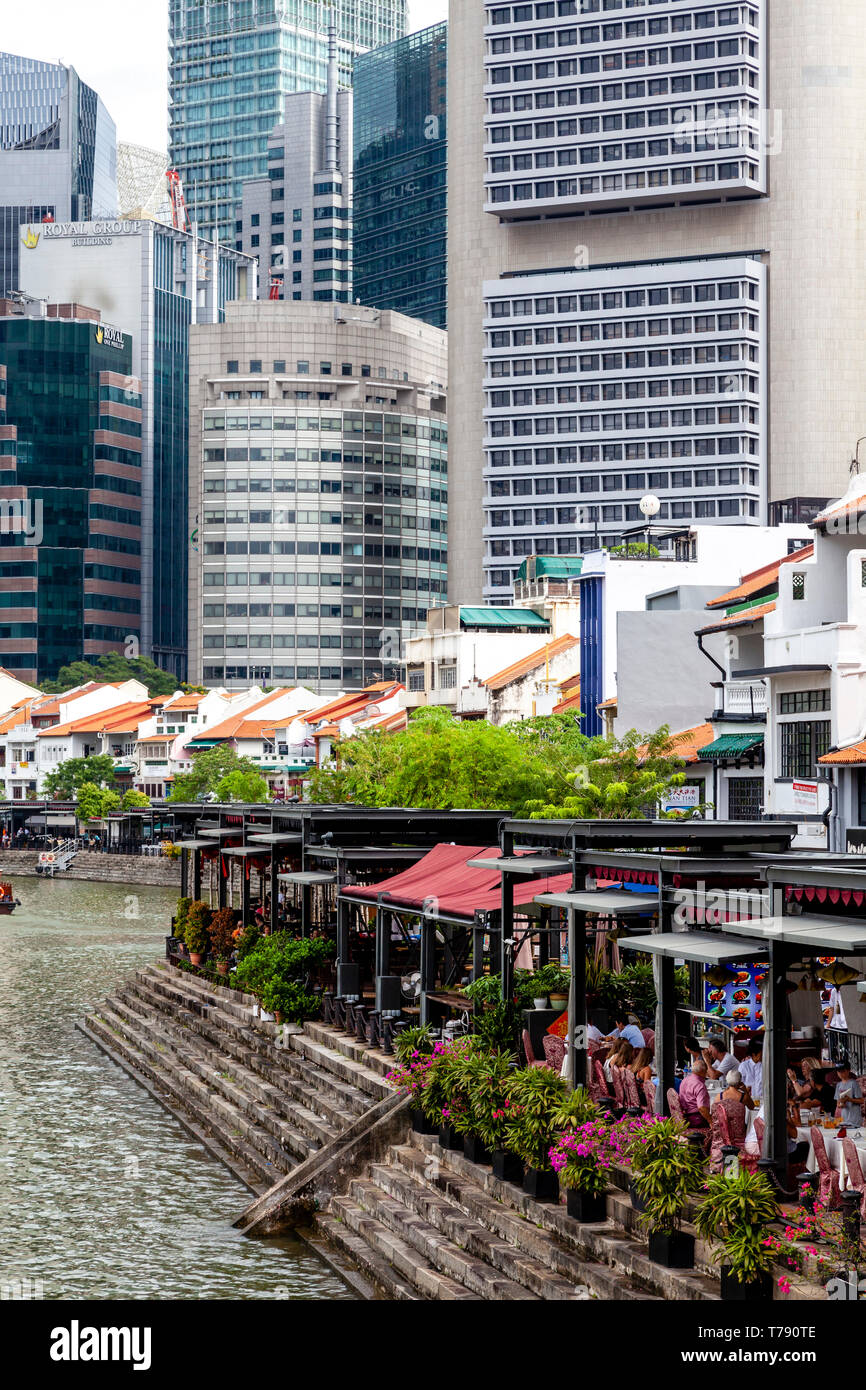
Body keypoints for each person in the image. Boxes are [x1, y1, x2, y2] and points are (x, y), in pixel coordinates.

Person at [679, 1058, 712, 1130]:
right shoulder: (699, 1085)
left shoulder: (685, 1080)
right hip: (696, 1118)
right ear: (703, 1071)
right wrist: (710, 1121)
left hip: (685, 1117)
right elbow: (701, 1107)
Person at [834, 1062, 864, 1126]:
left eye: (843, 1071)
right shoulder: (838, 1085)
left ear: (848, 1071)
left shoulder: (853, 1083)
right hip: (844, 1118)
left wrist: (849, 1099)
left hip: (854, 1118)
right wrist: (841, 1105)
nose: (840, 1074)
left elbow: (861, 1100)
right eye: (838, 1072)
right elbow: (838, 1104)